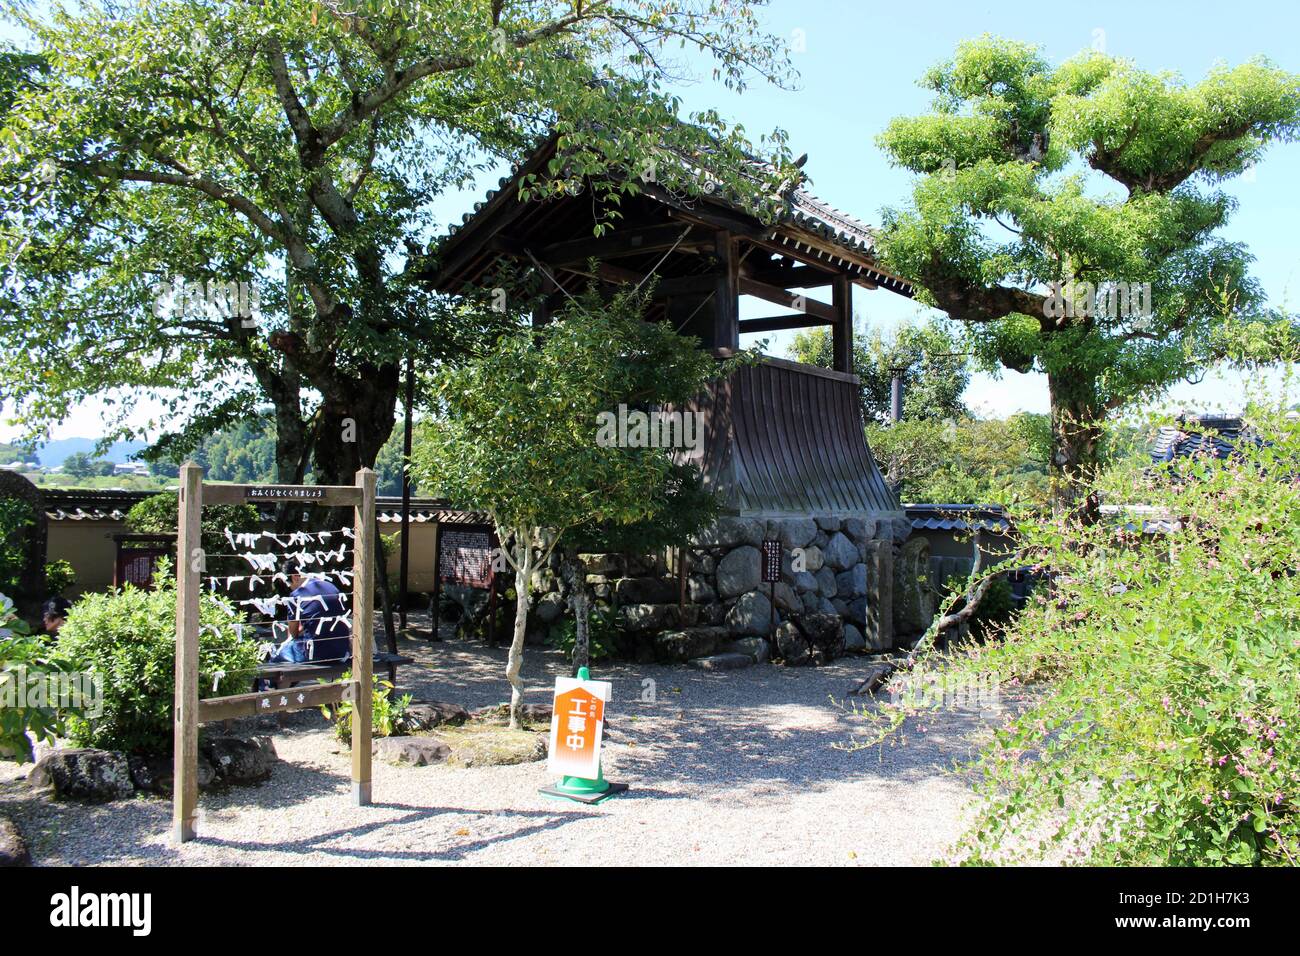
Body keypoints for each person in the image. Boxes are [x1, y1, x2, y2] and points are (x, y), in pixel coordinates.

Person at [267, 570, 352, 666]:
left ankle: (266, 681)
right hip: (341, 650)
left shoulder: (296, 595)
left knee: (277, 656)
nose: (291, 590)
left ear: (295, 577)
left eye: (290, 586)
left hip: (315, 653)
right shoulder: (331, 586)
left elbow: (293, 634)